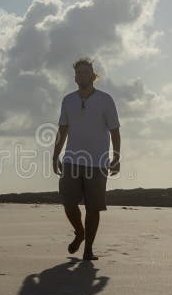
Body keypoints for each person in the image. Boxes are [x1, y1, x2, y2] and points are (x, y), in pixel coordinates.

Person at [52, 58, 121, 261]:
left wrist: (116, 157)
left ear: (93, 76)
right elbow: (62, 129)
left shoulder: (105, 100)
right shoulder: (68, 100)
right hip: (71, 160)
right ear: (75, 78)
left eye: (86, 72)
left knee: (93, 208)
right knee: (68, 202)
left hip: (97, 162)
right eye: (79, 73)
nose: (82, 75)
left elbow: (115, 131)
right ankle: (80, 232)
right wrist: (55, 155)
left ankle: (88, 250)